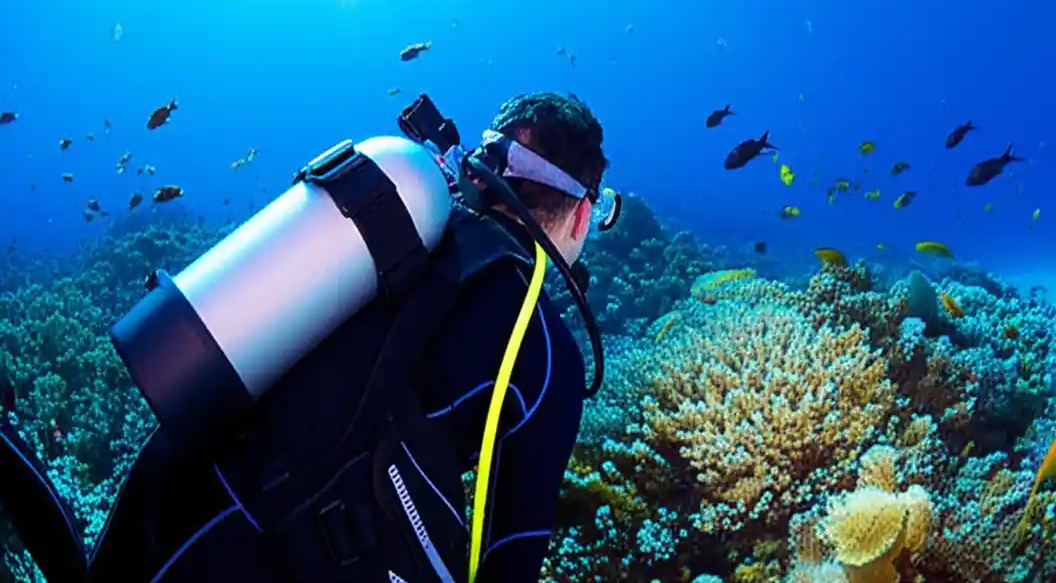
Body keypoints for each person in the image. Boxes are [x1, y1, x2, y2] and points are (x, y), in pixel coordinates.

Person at [0, 91, 614, 582]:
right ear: (584, 212)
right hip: (273, 544)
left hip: (180, 463)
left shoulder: (398, 228)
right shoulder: (547, 355)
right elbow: (512, 557)